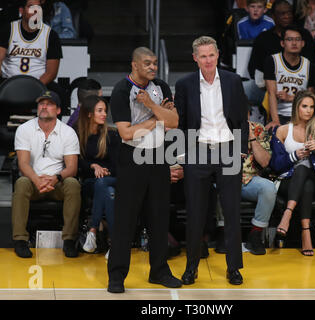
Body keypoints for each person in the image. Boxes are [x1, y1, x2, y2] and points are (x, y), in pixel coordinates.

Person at [174, 36, 248, 285]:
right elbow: (181, 123)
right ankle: (191, 267)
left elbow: (242, 117)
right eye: (202, 56)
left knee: (232, 212)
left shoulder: (233, 81)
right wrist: (182, 155)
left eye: (211, 55)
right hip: (198, 150)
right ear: (195, 58)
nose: (207, 60)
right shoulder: (184, 84)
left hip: (228, 149)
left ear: (218, 55)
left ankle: (234, 268)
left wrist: (240, 150)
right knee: (194, 213)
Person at [107, 47, 181, 293]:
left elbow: (174, 122)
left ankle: (159, 271)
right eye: (147, 63)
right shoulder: (121, 90)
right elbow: (127, 133)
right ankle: (116, 275)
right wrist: (156, 116)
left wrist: (150, 105)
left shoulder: (161, 86)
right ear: (135, 65)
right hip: (132, 158)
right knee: (125, 221)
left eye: (155, 63)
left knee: (159, 218)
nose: (153, 67)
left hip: (159, 156)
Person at [12, 90, 81, 258]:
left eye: (49, 104)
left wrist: (55, 178)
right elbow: (23, 163)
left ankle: (69, 240)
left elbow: (72, 167)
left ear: (58, 110)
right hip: (33, 182)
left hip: (57, 182)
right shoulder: (24, 129)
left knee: (73, 184)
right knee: (21, 183)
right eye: (41, 103)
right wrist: (37, 180)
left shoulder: (68, 132)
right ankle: (20, 240)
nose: (44, 107)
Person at [270, 90, 315, 256]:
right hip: (288, 181)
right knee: (305, 181)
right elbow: (275, 165)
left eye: (312, 107)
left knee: (305, 170)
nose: (308, 110)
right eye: (304, 106)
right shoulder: (283, 130)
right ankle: (306, 232)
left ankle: (287, 215)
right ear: (296, 108)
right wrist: (294, 155)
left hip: (314, 178)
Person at [77, 95, 120, 256]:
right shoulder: (78, 134)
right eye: (99, 111)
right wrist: (93, 165)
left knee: (104, 184)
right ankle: (115, 245)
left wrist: (105, 171)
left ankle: (93, 230)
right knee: (107, 192)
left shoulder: (112, 135)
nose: (104, 114)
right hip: (90, 183)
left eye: (105, 111)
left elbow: (117, 166)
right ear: (89, 113)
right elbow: (77, 162)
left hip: (112, 178)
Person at [264, 25, 315, 130]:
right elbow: (271, 93)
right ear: (282, 43)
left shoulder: (309, 65)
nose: (294, 43)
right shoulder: (272, 61)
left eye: (297, 40)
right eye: (289, 39)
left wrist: (290, 98)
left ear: (303, 43)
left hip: (301, 116)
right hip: (279, 114)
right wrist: (275, 120)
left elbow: (310, 96)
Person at [241, 111, 277, 255]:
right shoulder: (219, 129)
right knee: (216, 185)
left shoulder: (258, 129)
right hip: (225, 178)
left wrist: (252, 138)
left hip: (250, 180)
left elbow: (264, 162)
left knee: (268, 187)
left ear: (248, 114)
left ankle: (255, 234)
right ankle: (222, 232)